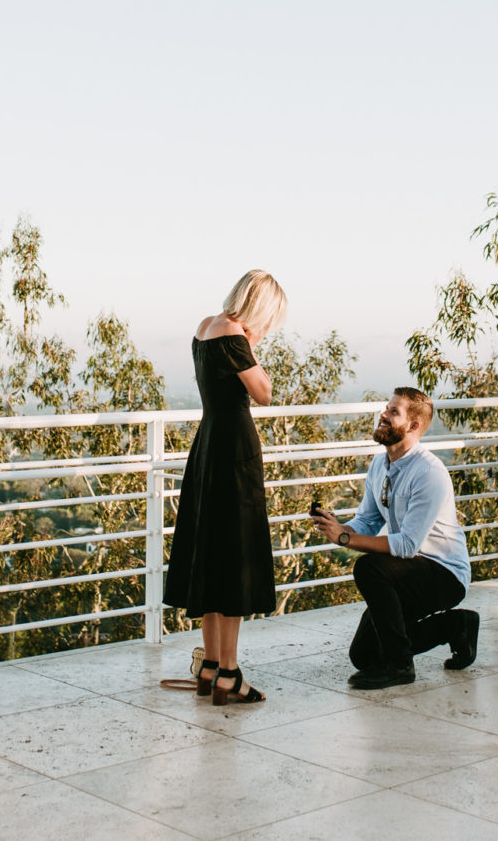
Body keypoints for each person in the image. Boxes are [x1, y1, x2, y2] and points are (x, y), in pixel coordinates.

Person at [163, 269, 287, 705]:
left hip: (208, 443)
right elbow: (265, 393)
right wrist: (253, 345)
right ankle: (229, 673)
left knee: (212, 554)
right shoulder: (235, 336)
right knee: (235, 557)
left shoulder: (204, 328)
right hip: (234, 449)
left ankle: (211, 665)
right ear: (262, 308)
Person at [310, 387, 478, 689]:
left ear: (413, 426)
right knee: (363, 655)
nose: (383, 415)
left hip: (443, 573)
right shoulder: (380, 465)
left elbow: (406, 545)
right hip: (407, 571)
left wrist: (348, 541)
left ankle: (400, 667)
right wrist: (340, 529)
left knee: (369, 568)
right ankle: (456, 626)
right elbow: (368, 520)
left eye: (393, 412)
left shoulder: (429, 473)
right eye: (386, 409)